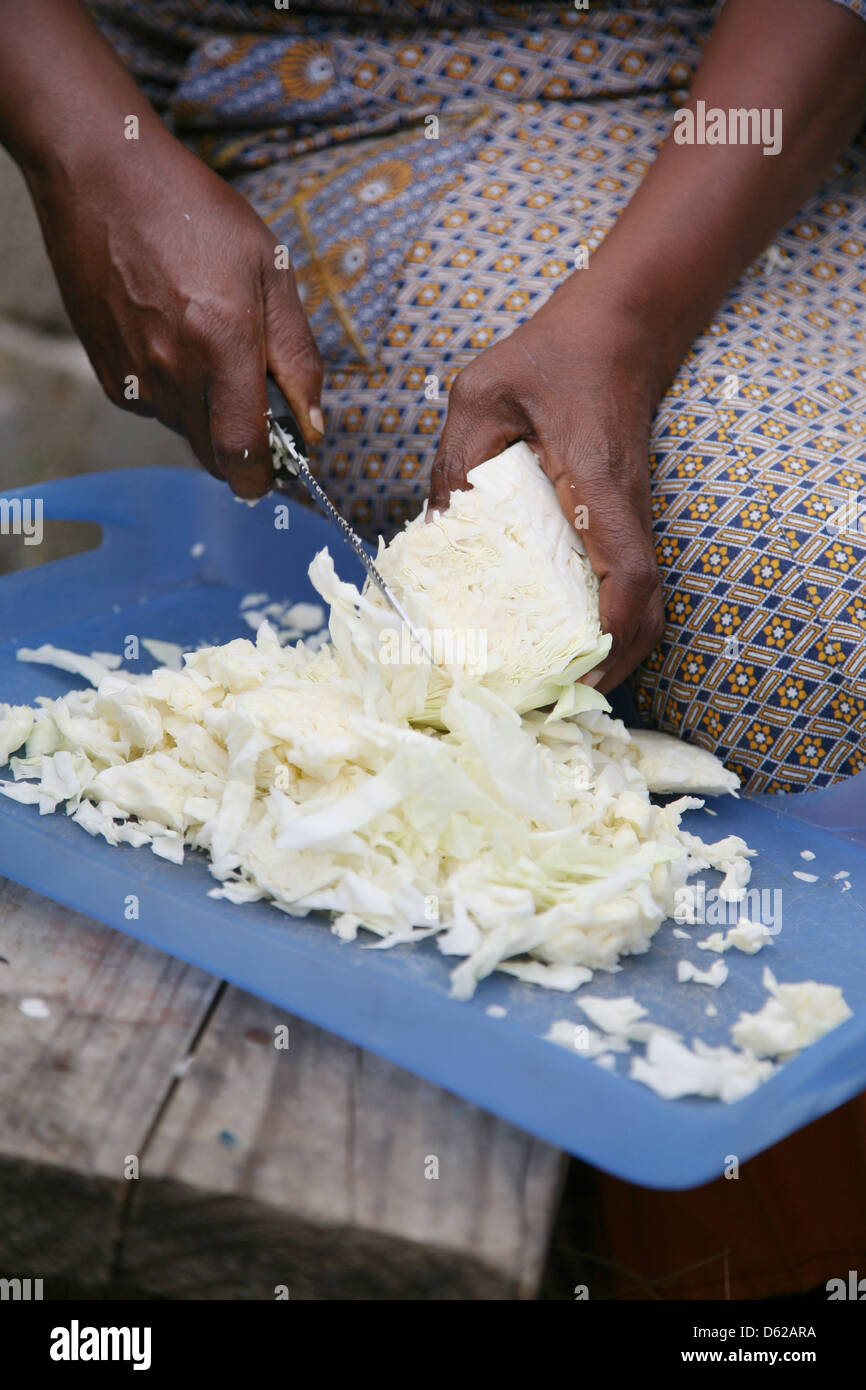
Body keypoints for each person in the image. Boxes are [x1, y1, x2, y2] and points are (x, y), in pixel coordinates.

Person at [1, 0, 864, 1298]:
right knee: (801, 593)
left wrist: (621, 326)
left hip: (755, 97)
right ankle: (738, 1273)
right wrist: (85, 145)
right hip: (346, 94)